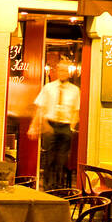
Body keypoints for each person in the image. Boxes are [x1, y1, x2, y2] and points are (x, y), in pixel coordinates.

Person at [32, 62, 80, 190]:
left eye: (65, 70)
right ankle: (48, 187)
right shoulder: (49, 88)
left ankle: (59, 187)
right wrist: (35, 125)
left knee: (62, 160)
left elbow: (76, 111)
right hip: (50, 125)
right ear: (57, 72)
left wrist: (71, 128)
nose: (62, 73)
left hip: (65, 127)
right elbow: (40, 107)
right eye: (60, 70)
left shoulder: (75, 90)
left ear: (69, 73)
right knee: (49, 159)